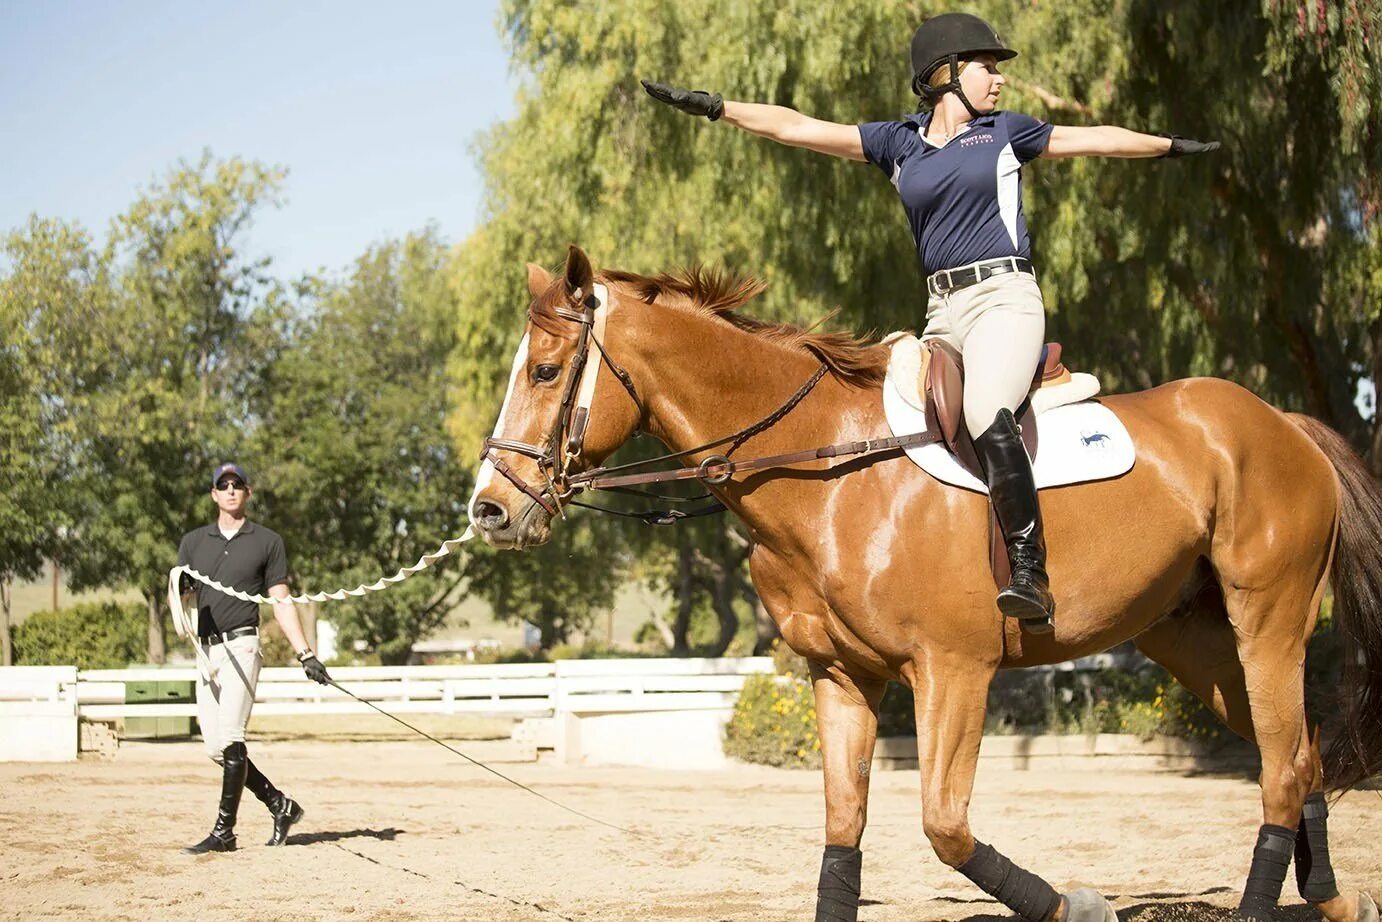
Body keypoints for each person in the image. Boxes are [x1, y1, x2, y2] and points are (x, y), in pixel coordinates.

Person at [641, 12, 1219, 632]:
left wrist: (1166, 145)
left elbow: (1095, 137)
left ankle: (1030, 571)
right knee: (887, 413)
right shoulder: (899, 143)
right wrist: (716, 108)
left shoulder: (1005, 134)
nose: (998, 82)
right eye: (987, 68)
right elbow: (799, 127)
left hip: (1005, 299)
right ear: (945, 75)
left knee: (982, 414)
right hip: (941, 310)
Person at [176, 462, 332, 854]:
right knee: (215, 747)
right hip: (206, 650)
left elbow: (281, 601)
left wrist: (305, 653)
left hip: (242, 646)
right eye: (222, 485)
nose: (230, 490)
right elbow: (181, 600)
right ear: (213, 494)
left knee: (231, 736)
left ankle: (224, 833)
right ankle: (280, 805)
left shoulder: (267, 541)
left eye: (237, 485)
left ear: (247, 492)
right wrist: (184, 591)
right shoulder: (193, 542)